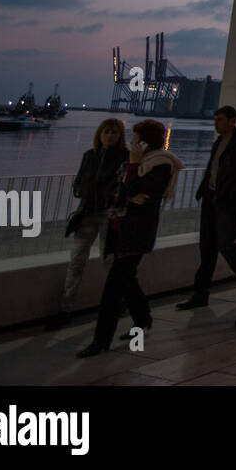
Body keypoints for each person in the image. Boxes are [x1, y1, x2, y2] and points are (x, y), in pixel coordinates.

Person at [78, 120, 183, 357]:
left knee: (113, 288)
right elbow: (122, 191)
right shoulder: (138, 163)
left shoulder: (160, 164)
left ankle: (101, 340)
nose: (133, 143)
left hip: (137, 231)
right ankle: (143, 319)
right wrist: (129, 189)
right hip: (121, 227)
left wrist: (133, 172)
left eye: (136, 138)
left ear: (146, 141)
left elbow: (141, 192)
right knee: (127, 279)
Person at [46, 118, 128, 330]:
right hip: (87, 213)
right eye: (106, 132)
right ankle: (66, 309)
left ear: (120, 137)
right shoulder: (89, 156)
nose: (109, 136)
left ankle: (115, 303)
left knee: (108, 260)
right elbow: (79, 183)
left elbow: (122, 185)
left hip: (109, 215)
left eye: (114, 133)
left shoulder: (124, 158)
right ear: (100, 135)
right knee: (77, 260)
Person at [177, 105, 236, 311]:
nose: (216, 123)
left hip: (227, 202)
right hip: (211, 199)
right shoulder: (219, 142)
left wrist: (235, 191)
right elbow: (213, 168)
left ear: (232, 121)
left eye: (220, 119)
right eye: (215, 119)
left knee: (225, 243)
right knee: (207, 247)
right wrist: (204, 190)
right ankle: (200, 294)